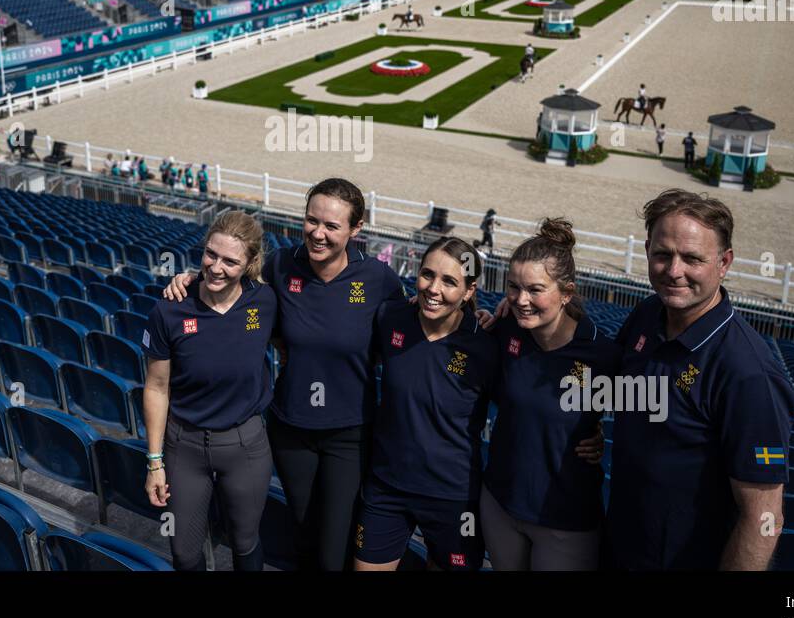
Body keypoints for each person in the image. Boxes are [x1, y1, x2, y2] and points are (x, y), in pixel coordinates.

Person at [164, 179, 405, 570]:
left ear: (356, 230)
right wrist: (190, 279)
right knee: (303, 531)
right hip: (291, 427)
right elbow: (231, 287)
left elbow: (415, 326)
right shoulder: (280, 265)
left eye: (332, 226)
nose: (318, 233)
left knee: (333, 545)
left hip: (349, 431)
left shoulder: (379, 279)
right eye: (311, 220)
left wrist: (476, 314)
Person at [605, 189, 794, 570]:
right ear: (647, 250)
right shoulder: (648, 313)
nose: (674, 271)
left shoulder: (748, 373)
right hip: (619, 549)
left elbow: (763, 519)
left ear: (724, 263)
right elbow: (611, 385)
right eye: (662, 254)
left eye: (692, 258)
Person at [142, 210, 279, 571]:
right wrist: (154, 462)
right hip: (183, 444)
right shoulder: (169, 310)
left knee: (245, 542)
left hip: (245, 445)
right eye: (210, 255)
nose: (216, 267)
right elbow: (156, 388)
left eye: (230, 261)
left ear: (250, 264)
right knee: (185, 552)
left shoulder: (265, 301)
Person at [353, 237, 499, 571]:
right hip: (387, 486)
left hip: (454, 496)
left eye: (449, 281)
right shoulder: (391, 317)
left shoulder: (487, 344)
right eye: (427, 274)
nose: (433, 288)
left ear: (469, 290)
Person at [482, 220, 618, 570]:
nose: (521, 300)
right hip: (500, 503)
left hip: (566, 520)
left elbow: (644, 418)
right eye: (513, 287)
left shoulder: (603, 356)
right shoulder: (504, 330)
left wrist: (600, 433)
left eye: (535, 289)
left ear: (567, 292)